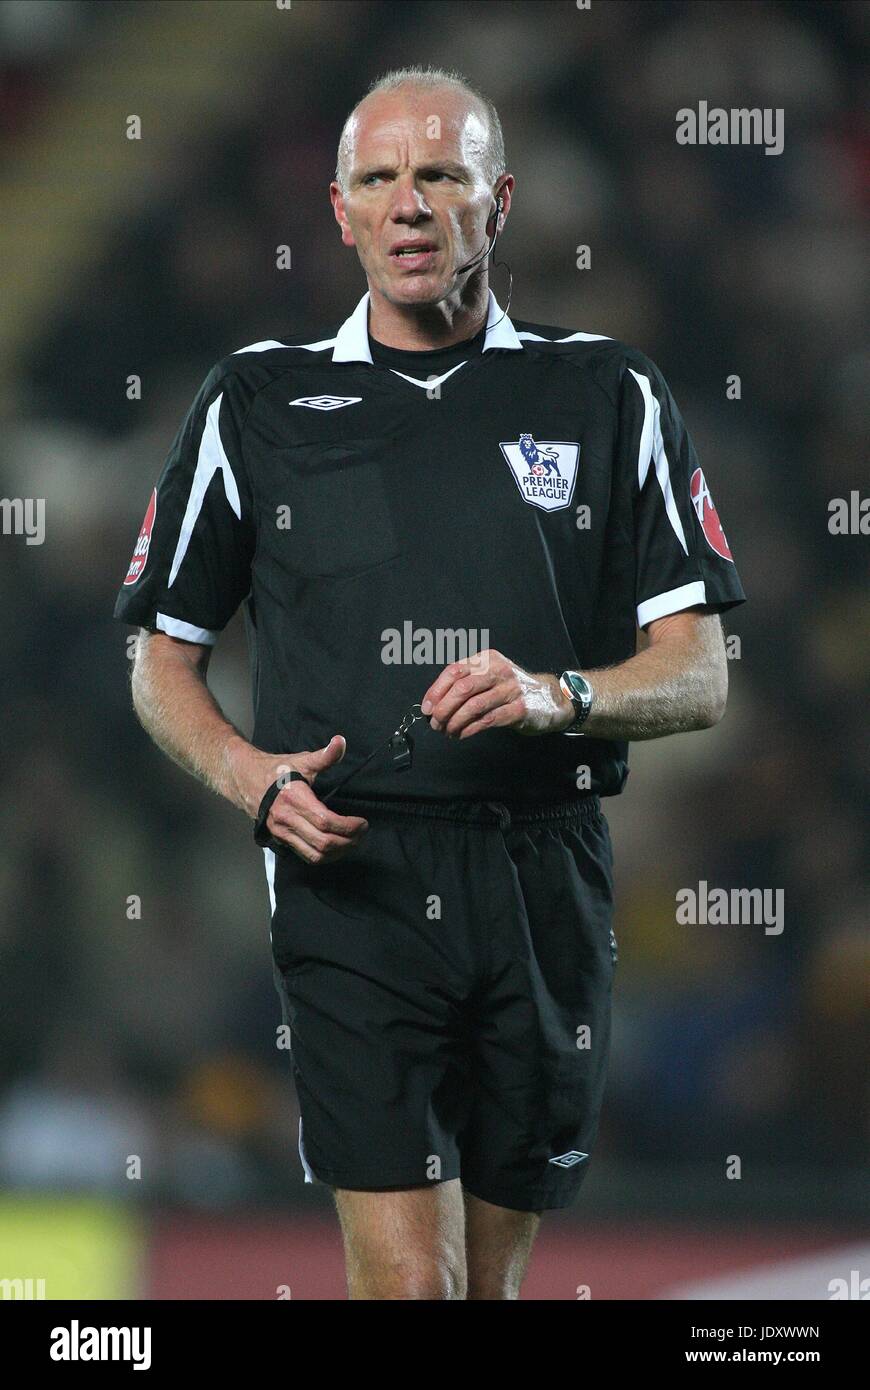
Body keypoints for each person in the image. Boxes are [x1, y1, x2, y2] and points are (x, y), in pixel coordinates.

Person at [114, 66, 746, 1299]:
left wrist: (555, 694)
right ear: (339, 211)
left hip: (545, 875)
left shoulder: (608, 393)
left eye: (442, 175)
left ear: (498, 203)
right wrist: (249, 775)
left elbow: (702, 670)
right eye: (380, 180)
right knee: (412, 1286)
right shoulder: (256, 401)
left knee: (483, 1289)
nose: (411, 206)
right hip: (354, 876)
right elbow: (158, 658)